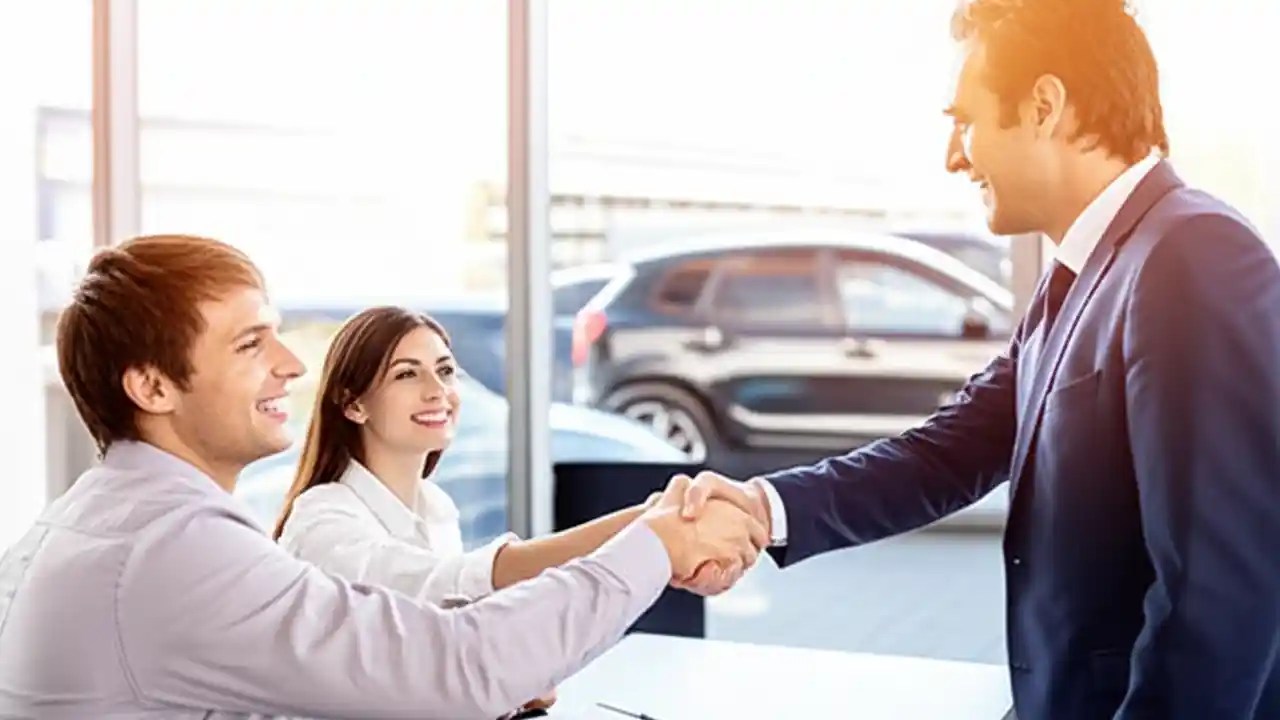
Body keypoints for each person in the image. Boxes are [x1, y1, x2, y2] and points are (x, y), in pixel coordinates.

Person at [676, 1, 1280, 718]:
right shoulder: (1081, 275)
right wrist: (763, 508)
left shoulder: (1192, 256)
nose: (954, 156)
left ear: (1044, 106)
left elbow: (1222, 595)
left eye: (965, 120)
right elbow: (950, 453)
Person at [0, 234, 766, 719]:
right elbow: (458, 661)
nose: (291, 363)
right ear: (153, 388)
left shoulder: (96, 519)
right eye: (250, 345)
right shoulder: (178, 546)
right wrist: (657, 544)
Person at [272, 305, 674, 713]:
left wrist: (507, 686)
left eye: (445, 371)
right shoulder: (322, 519)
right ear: (353, 404)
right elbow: (439, 584)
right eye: (407, 374)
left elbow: (442, 654)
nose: (437, 391)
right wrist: (649, 523)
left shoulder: (436, 508)